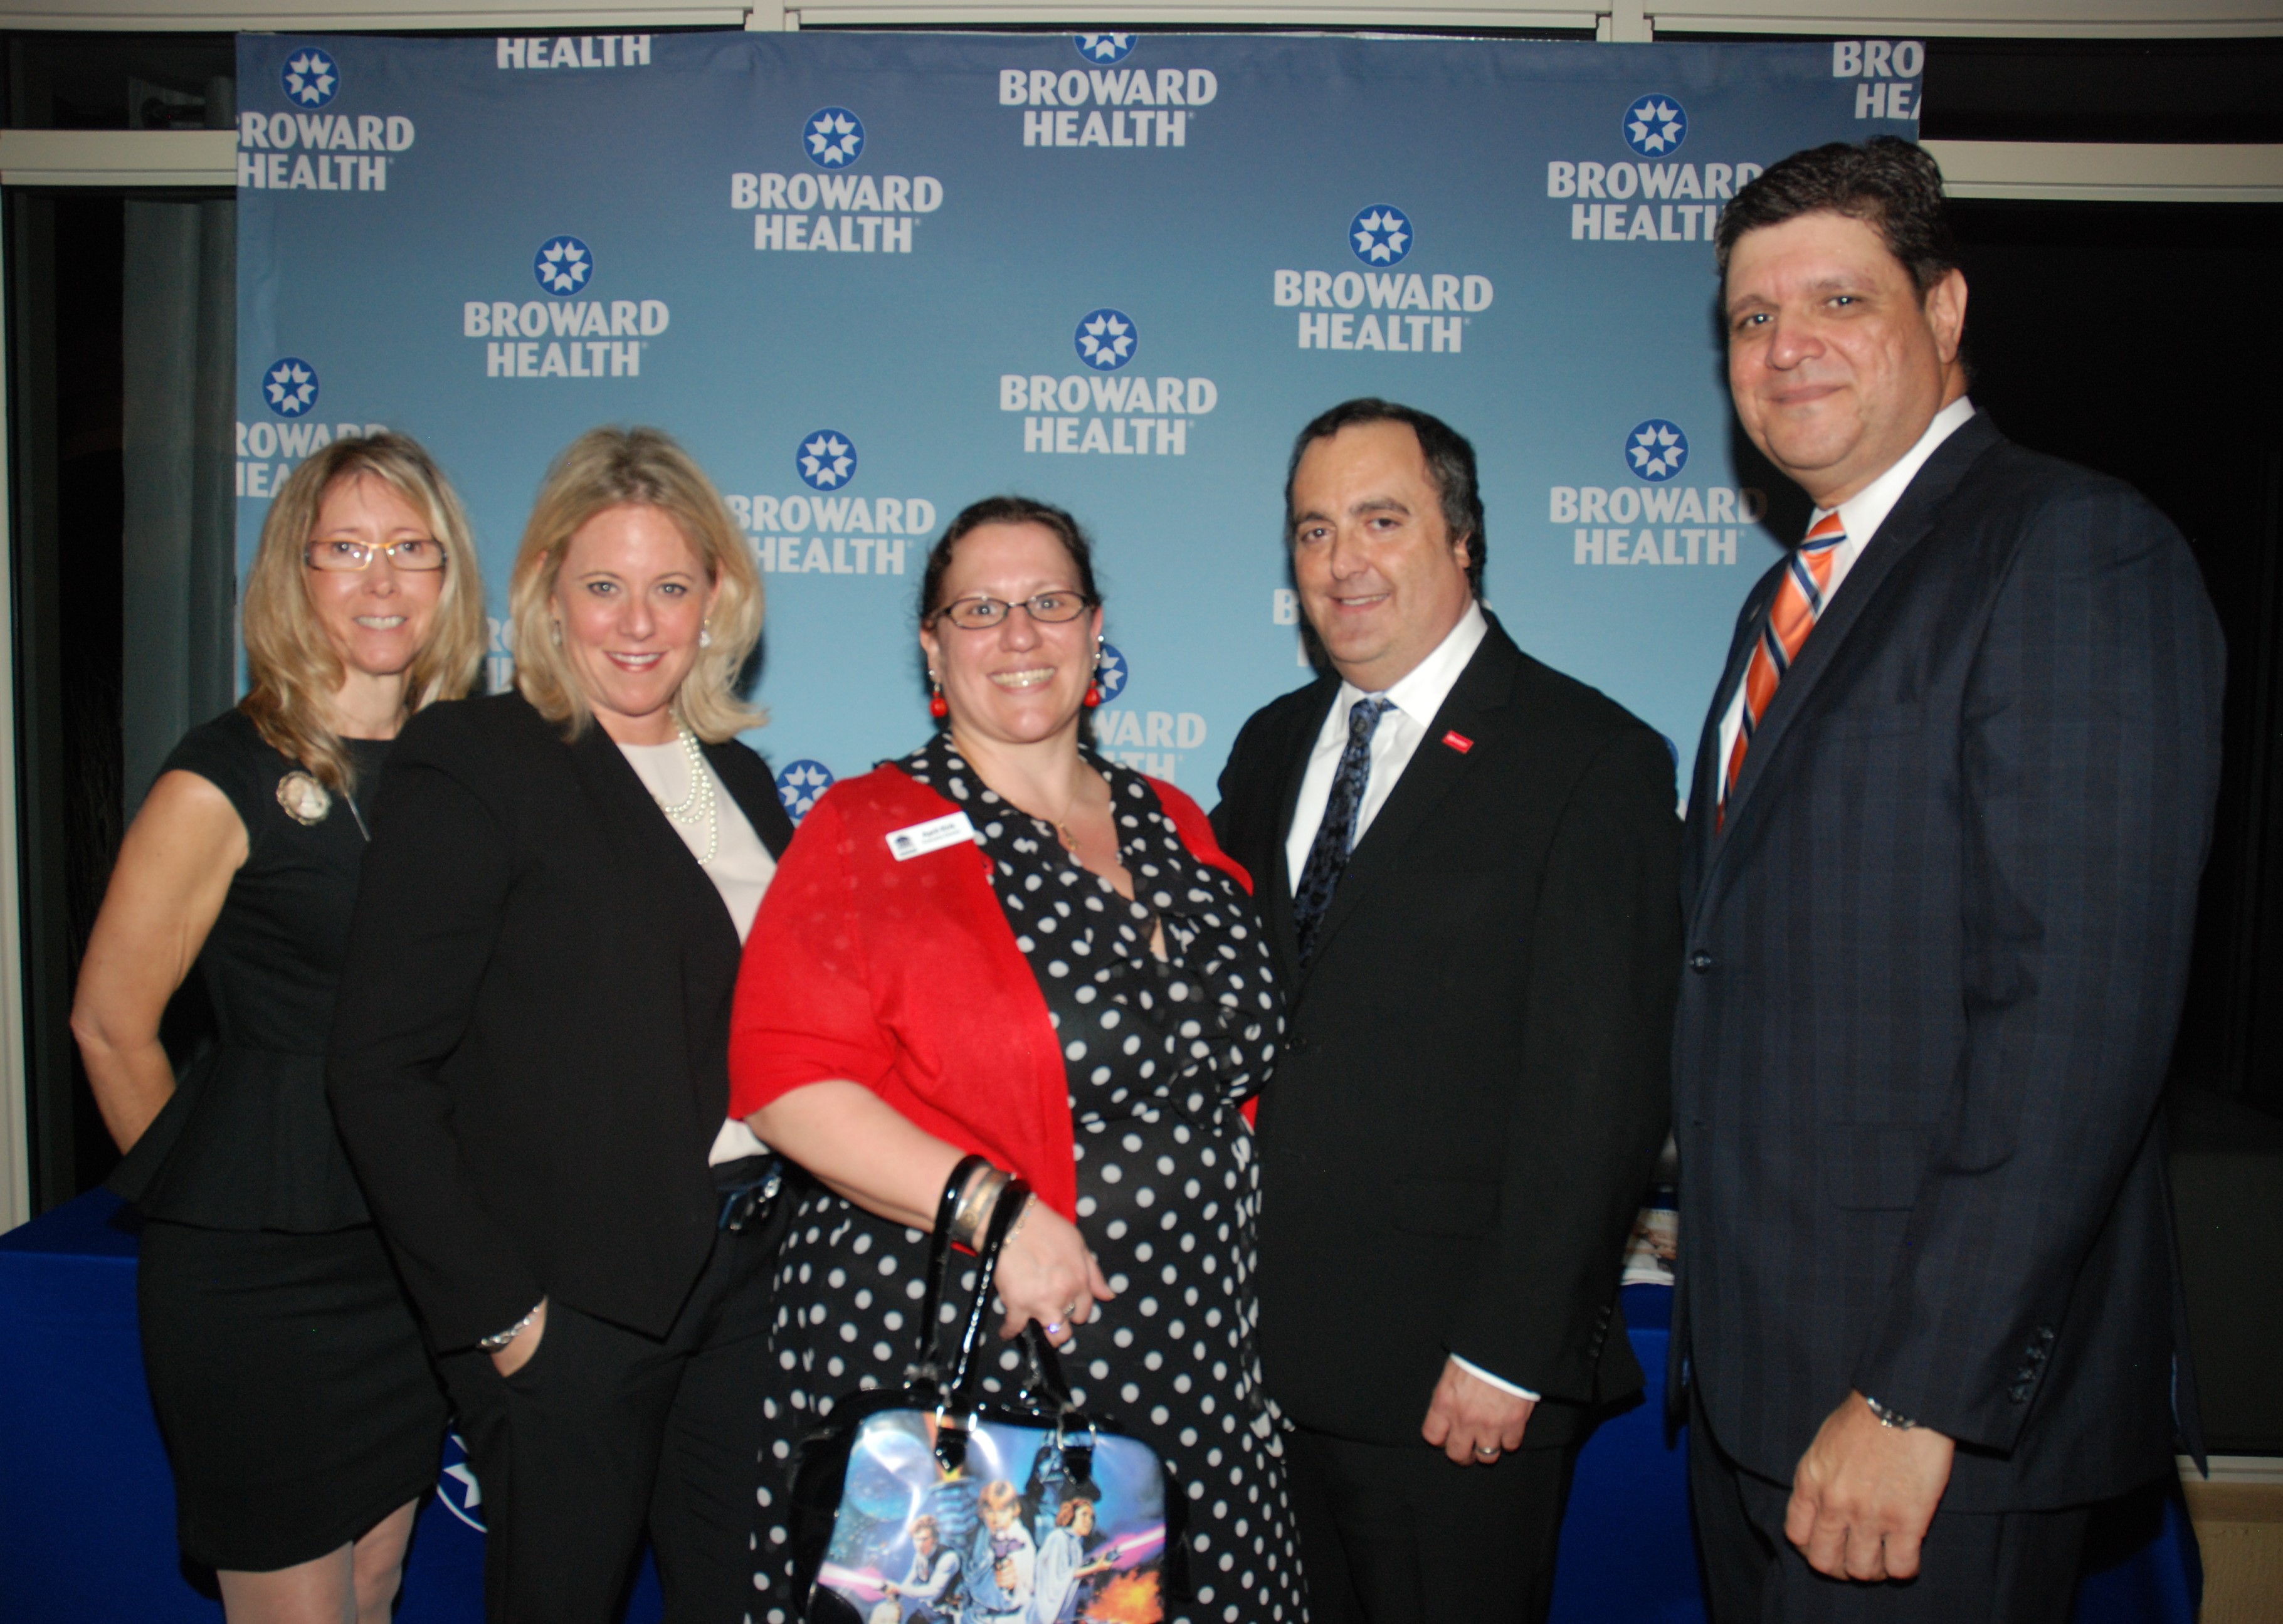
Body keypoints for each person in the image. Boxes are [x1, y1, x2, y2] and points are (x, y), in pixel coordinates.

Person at [1675, 137, 2222, 1622]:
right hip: (1759, 1392)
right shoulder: (1782, 598)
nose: (1784, 347)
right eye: (1749, 317)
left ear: (1944, 309)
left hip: (1920, 1424)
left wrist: (1917, 1394)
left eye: (1836, 301)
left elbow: (2075, 1021)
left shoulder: (2069, 551)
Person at [729, 495, 1305, 1624]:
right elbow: (784, 1082)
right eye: (980, 610)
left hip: (1200, 1358)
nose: (1020, 633)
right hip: (978, 1345)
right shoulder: (862, 825)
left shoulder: (1175, 819)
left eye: (1048, 601)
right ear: (932, 646)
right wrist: (995, 1214)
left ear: (1095, 629)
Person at [1211, 399, 1681, 1624]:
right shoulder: (1270, 745)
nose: (1340, 561)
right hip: (1261, 1374)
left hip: (1454, 1384)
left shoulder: (1588, 758)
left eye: (1380, 520)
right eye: (1312, 530)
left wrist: (1510, 1346)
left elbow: (1602, 1088)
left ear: (1461, 538)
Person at [326, 426, 796, 1624]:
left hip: (747, 1280)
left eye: (669, 587)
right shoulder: (478, 759)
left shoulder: (734, 778)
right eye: (603, 586)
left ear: (716, 598)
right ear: (546, 593)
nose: (637, 624)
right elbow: (379, 1068)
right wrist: (505, 1316)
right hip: (577, 1306)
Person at [71, 433, 485, 1622]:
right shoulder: (224, 774)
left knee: (377, 1580)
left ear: (449, 576)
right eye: (345, 549)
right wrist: (194, 1195)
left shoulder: (468, 765)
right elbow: (108, 1023)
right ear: (293, 575)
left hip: (412, 1257)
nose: (381, 581)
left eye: (411, 549)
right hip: (258, 1274)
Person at [1031, 1487, 1114, 1623]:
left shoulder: (1076, 1546)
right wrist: (1095, 1567)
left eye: (1091, 1517)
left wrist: (1089, 1576)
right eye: (1084, 1515)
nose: (1089, 1521)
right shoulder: (1059, 1538)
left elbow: (1071, 1584)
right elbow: (1059, 1577)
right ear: (1072, 1515)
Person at [882, 1516, 961, 1624]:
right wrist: (895, 1592)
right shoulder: (919, 1557)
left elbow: (933, 1592)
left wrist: (899, 1589)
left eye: (925, 1539)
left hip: (945, 1616)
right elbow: (908, 1583)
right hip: (926, 1612)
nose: (920, 1544)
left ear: (935, 1539)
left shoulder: (948, 1558)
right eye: (917, 1539)